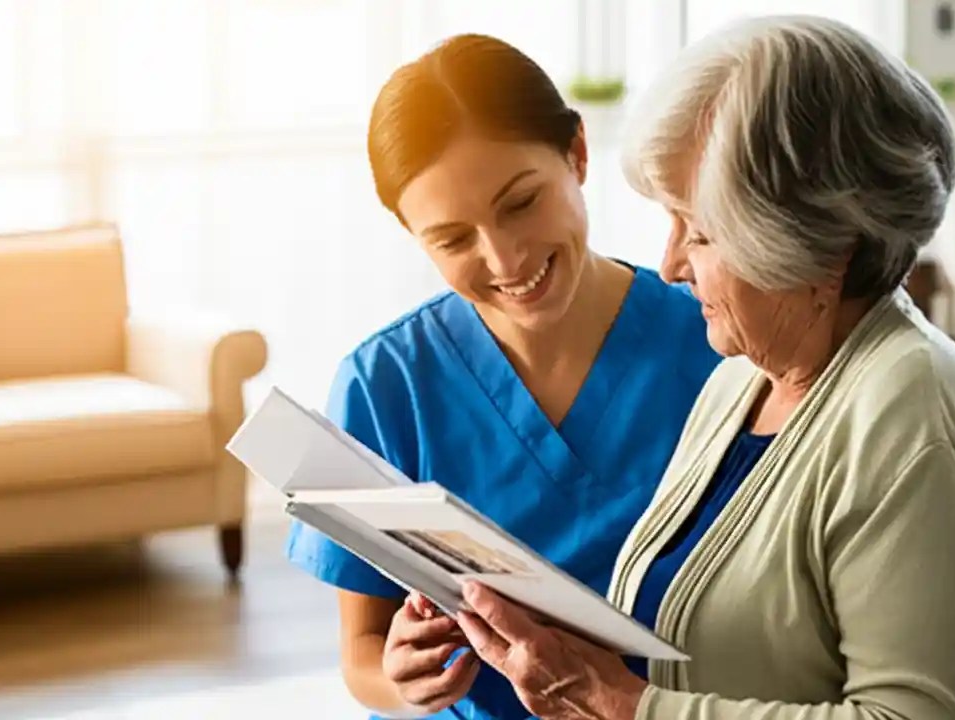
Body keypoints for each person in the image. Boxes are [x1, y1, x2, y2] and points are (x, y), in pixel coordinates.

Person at [450, 15, 955, 720]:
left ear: (817, 244)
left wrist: (624, 706)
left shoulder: (914, 416)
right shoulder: (745, 379)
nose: (669, 264)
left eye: (699, 231)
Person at [284, 34, 722, 720]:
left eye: (521, 203)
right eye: (453, 240)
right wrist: (404, 678)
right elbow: (363, 656)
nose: (505, 257)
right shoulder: (381, 386)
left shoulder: (716, 345)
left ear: (576, 154)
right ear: (412, 234)